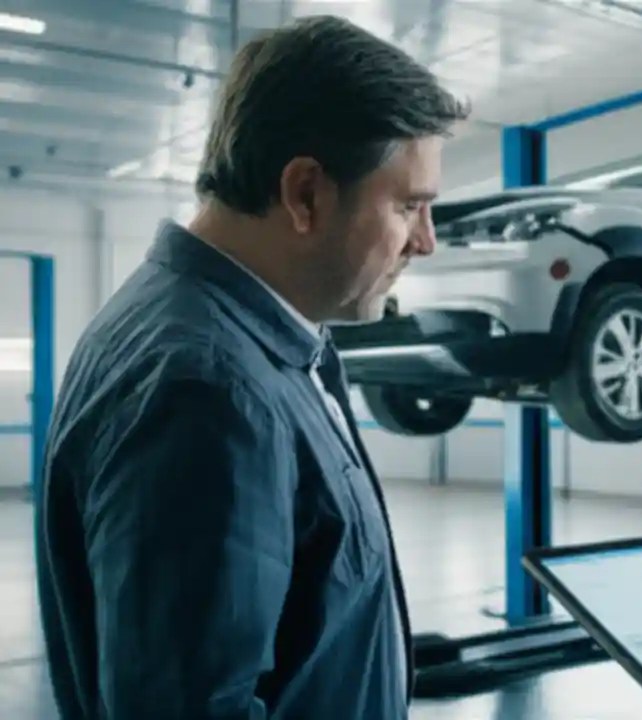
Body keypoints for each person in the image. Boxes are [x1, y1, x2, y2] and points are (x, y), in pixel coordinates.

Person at [35, 15, 468, 719]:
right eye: (410, 206)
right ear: (304, 195)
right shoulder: (207, 388)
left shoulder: (250, 338)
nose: (427, 242)